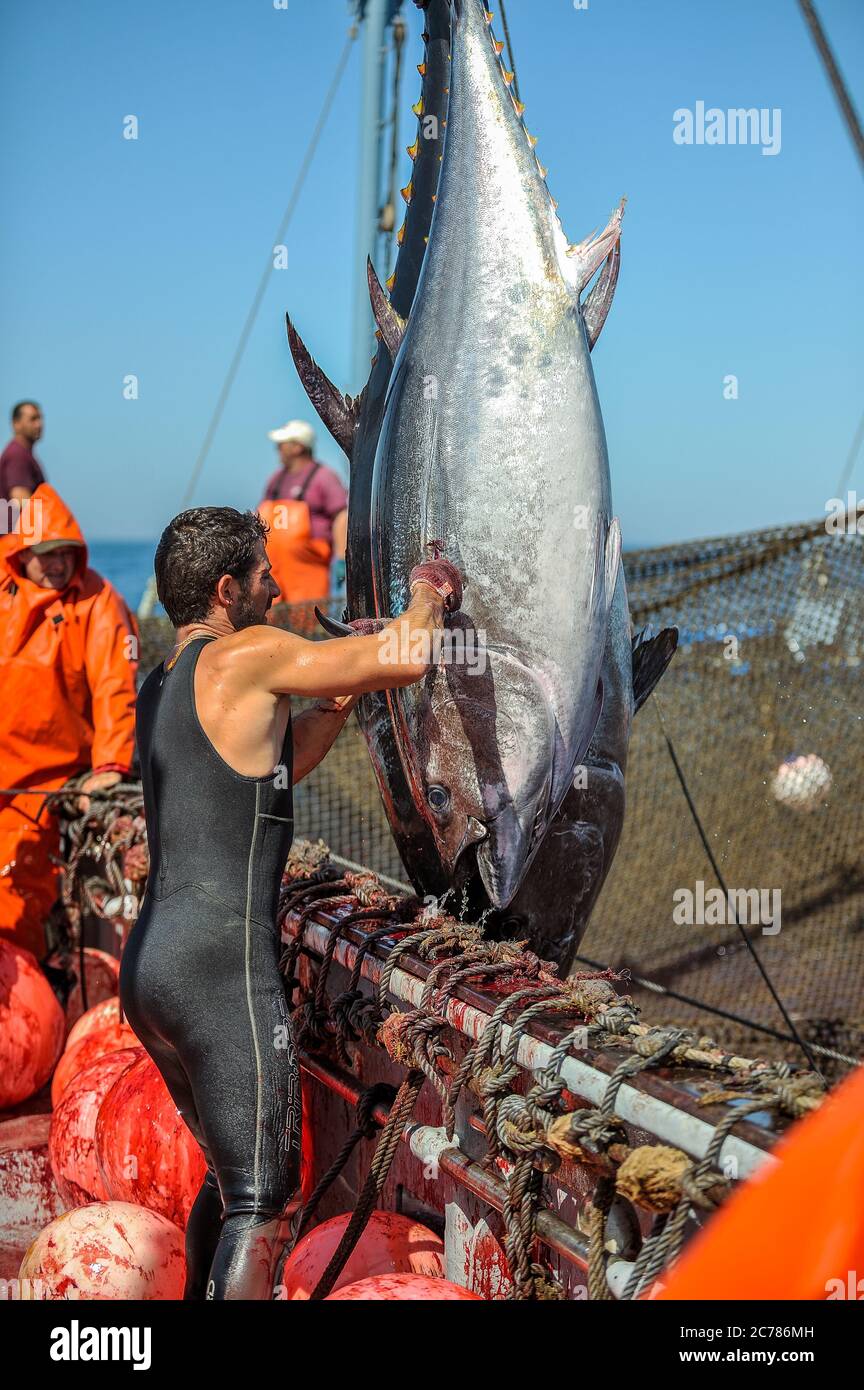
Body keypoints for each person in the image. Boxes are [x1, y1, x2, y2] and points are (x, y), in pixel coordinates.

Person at [118, 506, 462, 1300]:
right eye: (266, 578)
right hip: (221, 971)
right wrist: (429, 590)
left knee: (229, 1180)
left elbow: (273, 769)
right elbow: (406, 658)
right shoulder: (249, 654)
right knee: (263, 1202)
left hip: (152, 968)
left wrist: (340, 696)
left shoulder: (163, 683)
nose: (279, 592)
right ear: (227, 588)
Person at [0, 485, 139, 958]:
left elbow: (114, 691)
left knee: (21, 896)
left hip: (55, 786)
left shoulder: (99, 602)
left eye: (65, 552)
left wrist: (109, 769)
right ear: (21, 553)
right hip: (5, 779)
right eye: (45, 553)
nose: (56, 563)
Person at [258, 419, 348, 604]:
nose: (278, 449)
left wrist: (341, 557)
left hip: (309, 573)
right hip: (275, 570)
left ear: (298, 447)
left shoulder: (323, 477)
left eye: (282, 444)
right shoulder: (276, 479)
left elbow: (341, 515)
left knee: (308, 624)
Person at [0, 401, 46, 505]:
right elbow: (21, 500)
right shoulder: (17, 455)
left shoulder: (23, 454)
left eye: (40, 418)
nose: (39, 424)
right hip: (17, 521)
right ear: (16, 424)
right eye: (33, 419)